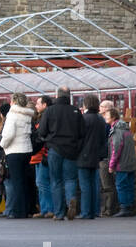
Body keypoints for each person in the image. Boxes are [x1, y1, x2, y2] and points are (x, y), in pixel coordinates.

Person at [42, 86, 83, 220]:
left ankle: (59, 213)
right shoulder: (75, 111)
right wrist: (77, 147)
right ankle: (71, 200)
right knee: (70, 179)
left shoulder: (49, 110)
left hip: (55, 149)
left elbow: (42, 131)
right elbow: (82, 133)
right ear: (69, 96)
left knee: (56, 181)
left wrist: (48, 140)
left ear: (57, 95)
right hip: (71, 150)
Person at [0, 93, 34, 218]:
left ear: (13, 102)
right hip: (27, 150)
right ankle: (25, 209)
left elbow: (8, 134)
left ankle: (18, 211)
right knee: (24, 181)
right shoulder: (27, 115)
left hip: (14, 151)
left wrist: (2, 144)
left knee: (16, 182)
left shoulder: (12, 115)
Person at [76, 95, 109, 219]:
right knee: (95, 185)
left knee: (85, 186)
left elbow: (79, 138)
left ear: (86, 105)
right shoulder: (101, 119)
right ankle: (95, 211)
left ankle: (85, 212)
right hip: (96, 155)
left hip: (83, 155)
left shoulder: (83, 119)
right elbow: (103, 139)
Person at [106, 108, 136, 216]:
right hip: (130, 162)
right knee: (129, 185)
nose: (105, 116)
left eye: (107, 115)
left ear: (113, 117)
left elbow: (116, 147)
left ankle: (124, 208)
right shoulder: (125, 128)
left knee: (121, 185)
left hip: (122, 163)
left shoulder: (117, 130)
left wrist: (111, 165)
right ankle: (129, 207)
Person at [31, 95, 54, 217]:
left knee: (43, 182)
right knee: (40, 183)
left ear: (45, 105)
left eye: (38, 104)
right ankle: (44, 209)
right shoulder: (41, 117)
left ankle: (49, 208)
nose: (36, 106)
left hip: (43, 154)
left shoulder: (45, 118)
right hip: (38, 155)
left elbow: (42, 136)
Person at [98, 100, 119, 217]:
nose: (99, 108)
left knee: (107, 186)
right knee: (106, 185)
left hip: (105, 157)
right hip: (105, 157)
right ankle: (106, 208)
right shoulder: (106, 124)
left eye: (101, 106)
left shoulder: (108, 125)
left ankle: (109, 209)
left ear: (107, 109)